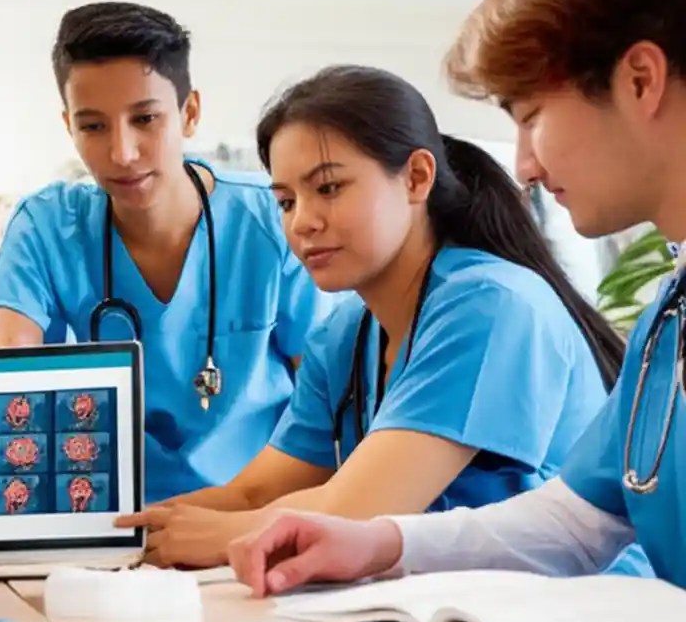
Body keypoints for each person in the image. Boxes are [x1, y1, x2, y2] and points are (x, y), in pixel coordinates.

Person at [225, 0, 686, 597]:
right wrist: (379, 542)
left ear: (640, 80)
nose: (523, 165)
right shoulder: (668, 320)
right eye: (286, 200)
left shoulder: (491, 301)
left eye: (530, 118)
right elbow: (581, 520)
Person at [116, 62, 643, 571]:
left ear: (416, 177)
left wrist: (216, 536)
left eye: (328, 188)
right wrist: (124, 535)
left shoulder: (492, 304)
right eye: (285, 201)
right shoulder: (343, 336)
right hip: (439, 610)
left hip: (575, 615)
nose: (303, 222)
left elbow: (357, 509)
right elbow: (254, 491)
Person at [0, 1, 332, 503]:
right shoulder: (45, 227)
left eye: (145, 118)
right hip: (109, 514)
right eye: (93, 126)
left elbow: (326, 397)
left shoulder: (272, 220)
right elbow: (10, 382)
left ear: (189, 113)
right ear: (68, 126)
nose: (122, 153)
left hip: (259, 508)